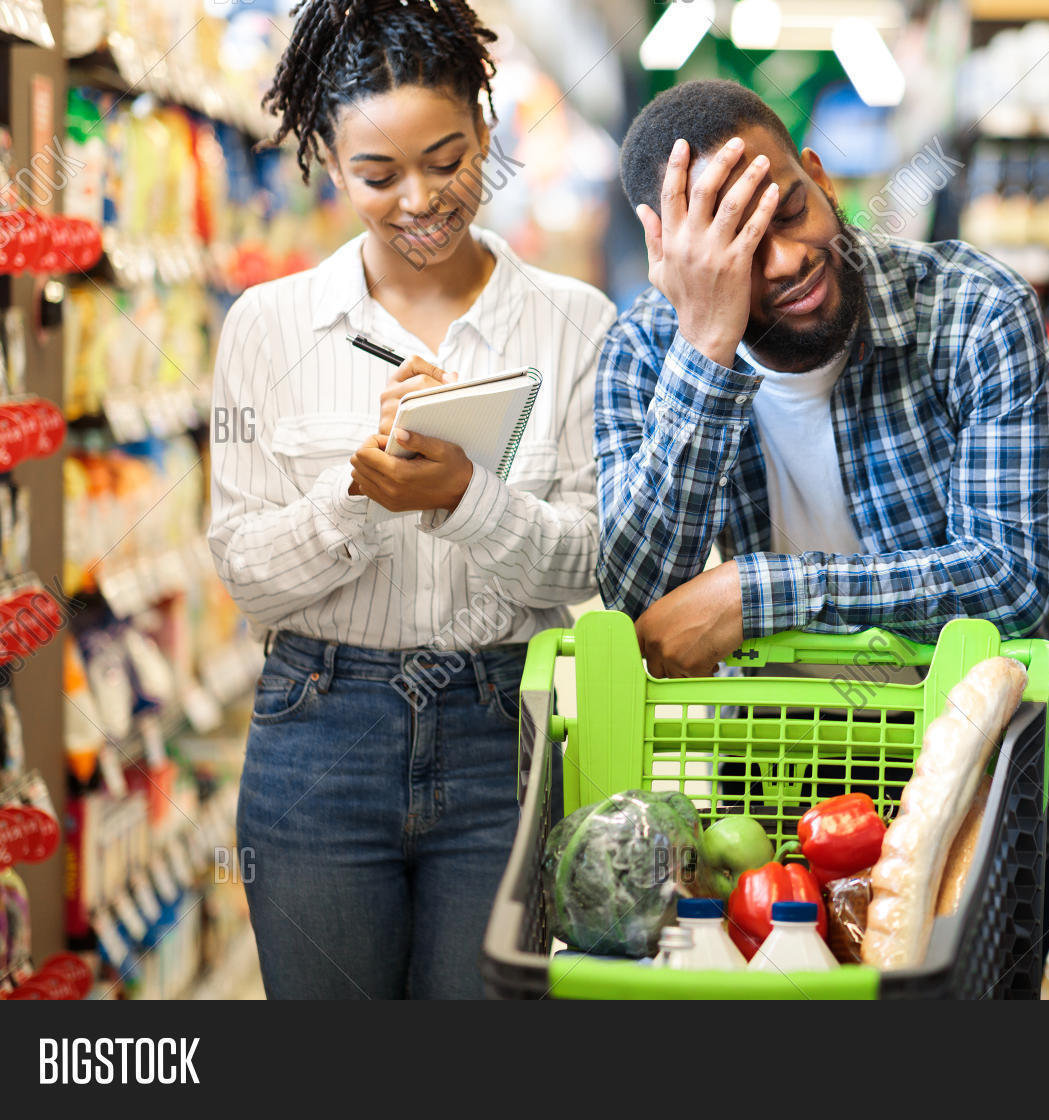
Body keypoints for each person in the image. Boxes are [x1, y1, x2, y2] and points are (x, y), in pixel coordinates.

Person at [595, 80, 1049, 962]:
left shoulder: (974, 310)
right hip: (788, 759)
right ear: (672, 256)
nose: (784, 261)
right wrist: (708, 345)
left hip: (982, 764)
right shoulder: (642, 349)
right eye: (738, 248)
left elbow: (1008, 579)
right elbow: (640, 596)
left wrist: (760, 591)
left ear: (818, 176)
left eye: (790, 210)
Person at [207, 0, 613, 999]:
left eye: (448, 160)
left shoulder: (577, 326)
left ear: (486, 128)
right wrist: (361, 492)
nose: (421, 199)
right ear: (330, 165)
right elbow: (249, 576)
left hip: (502, 737)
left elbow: (596, 560)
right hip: (318, 734)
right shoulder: (269, 327)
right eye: (378, 176)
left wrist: (468, 497)